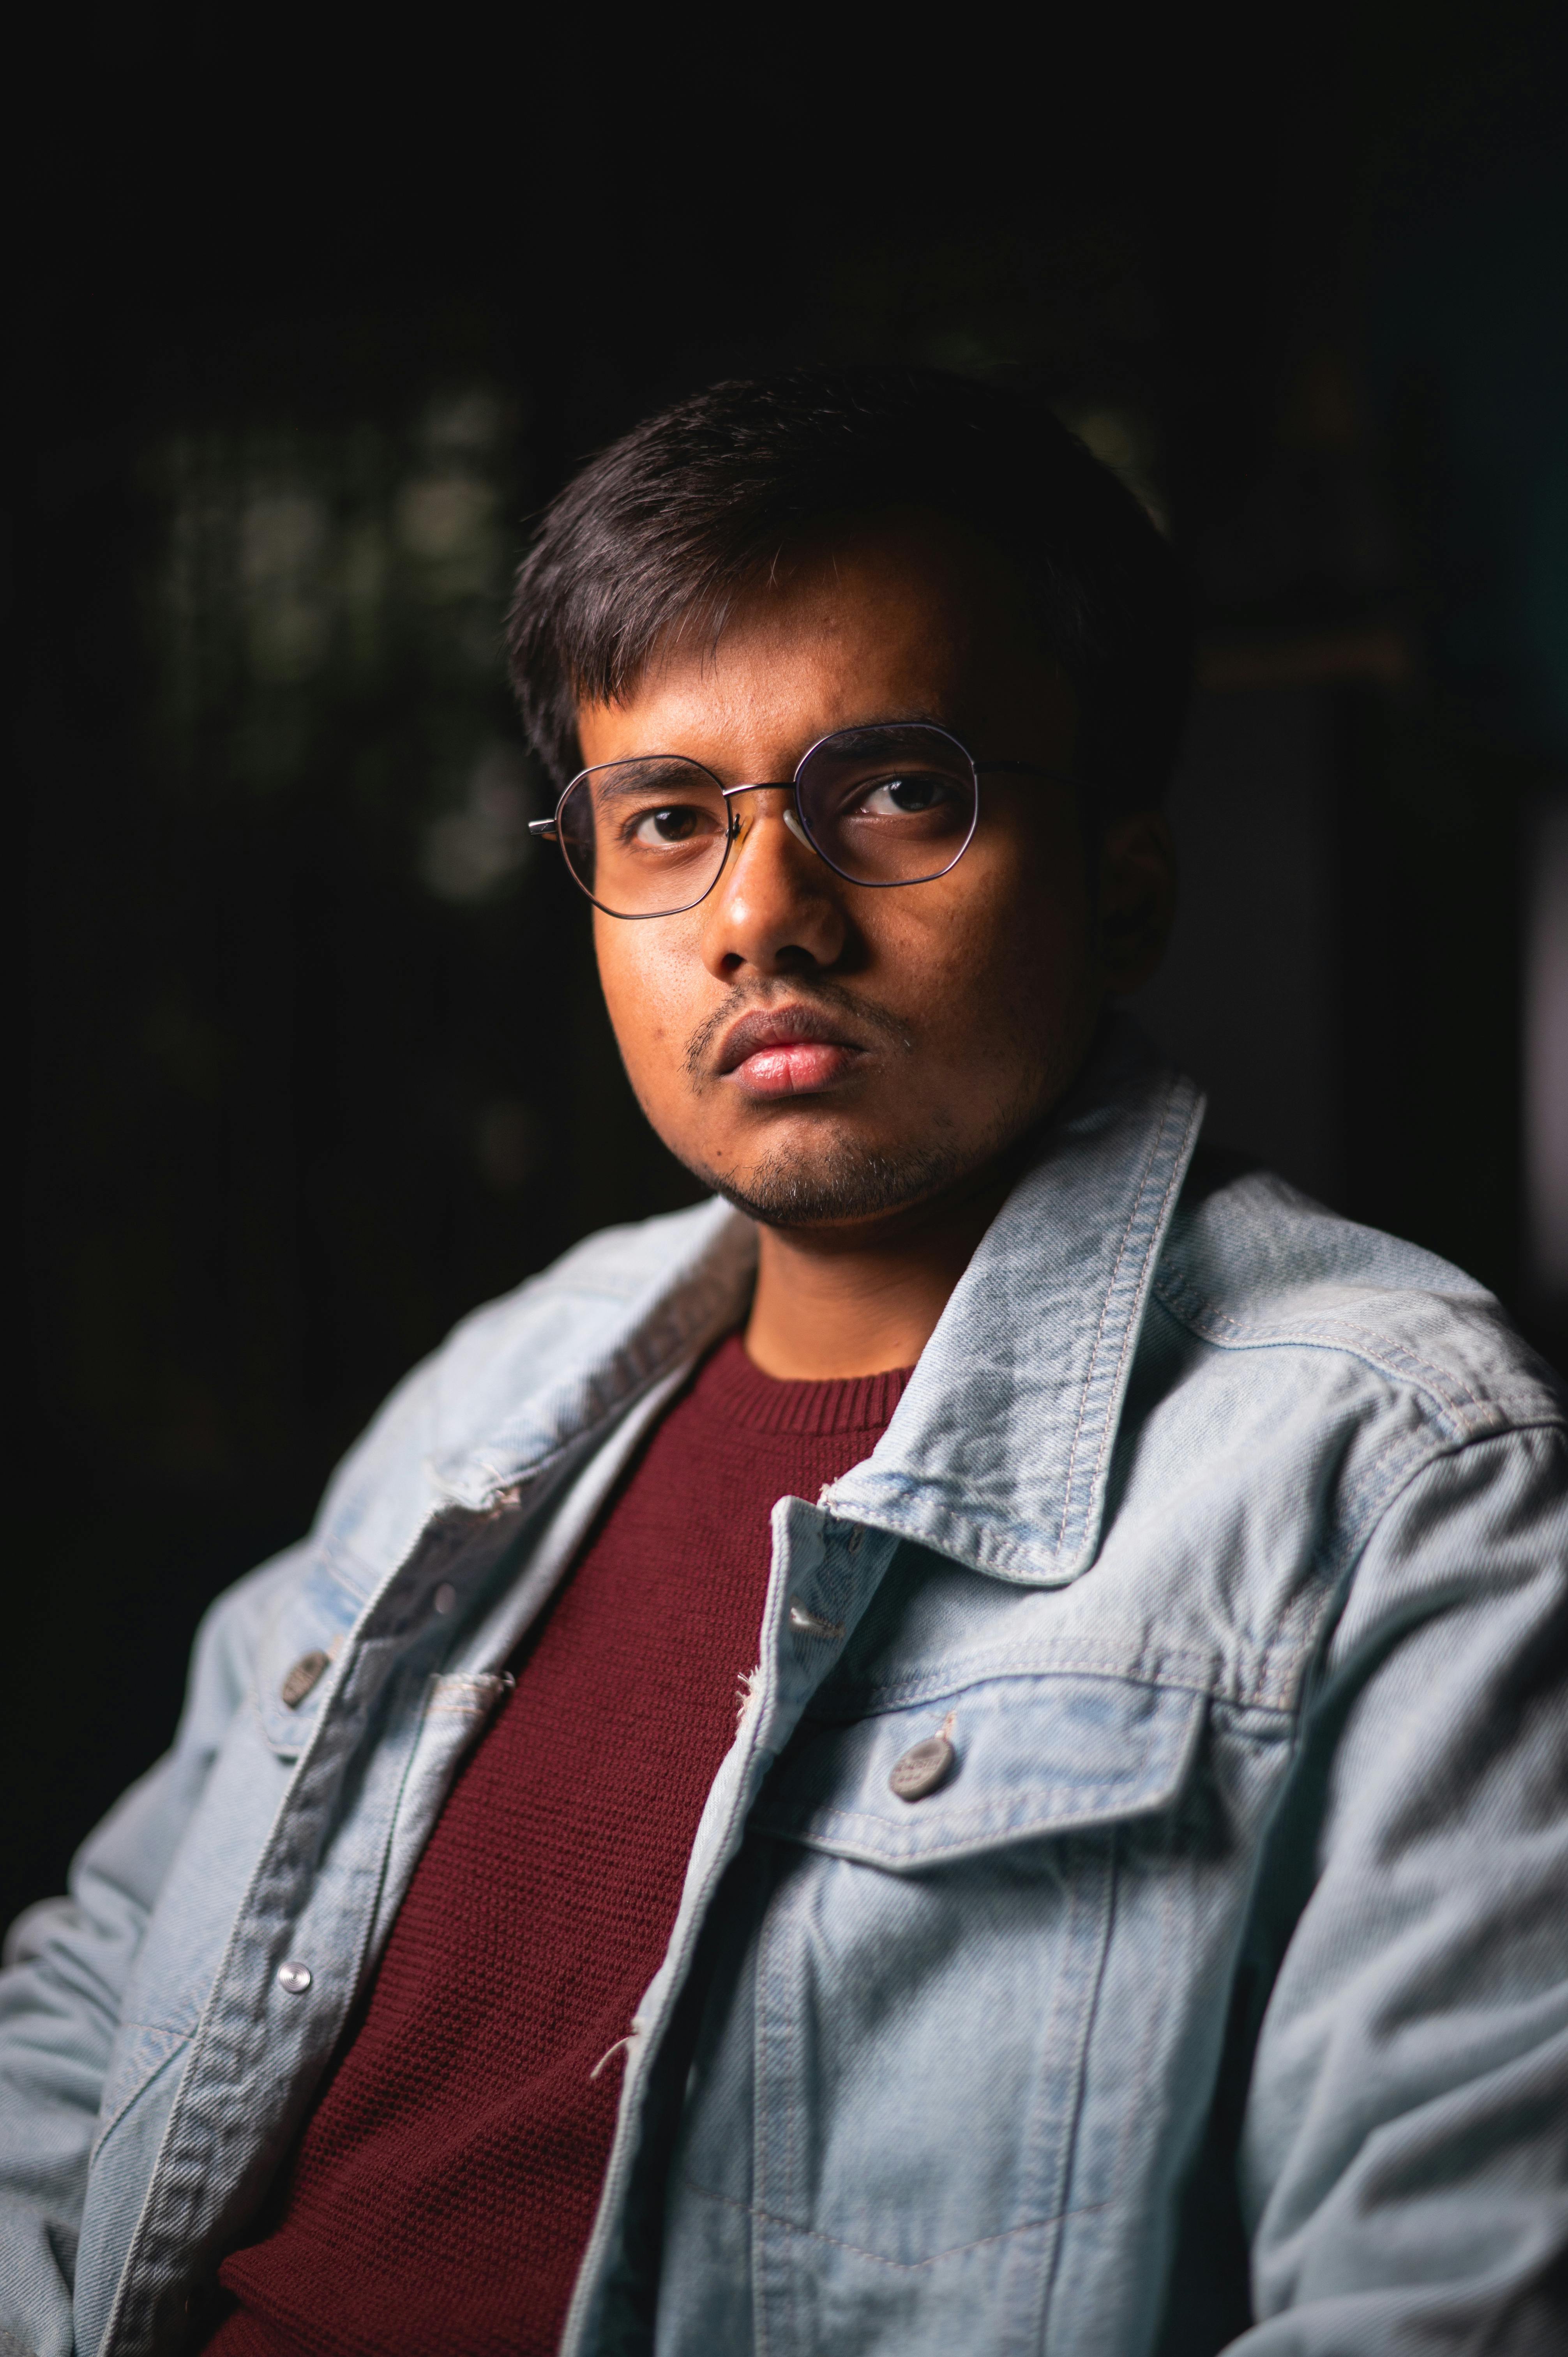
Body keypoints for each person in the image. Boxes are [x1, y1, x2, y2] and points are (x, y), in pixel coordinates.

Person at [4, 369, 1566, 2357]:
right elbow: (91, 2005)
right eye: (667, 820)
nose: (760, 917)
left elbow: (1438, 2303)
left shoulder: (1399, 1471)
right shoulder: (500, 1387)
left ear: (1126, 886)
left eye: (895, 791)